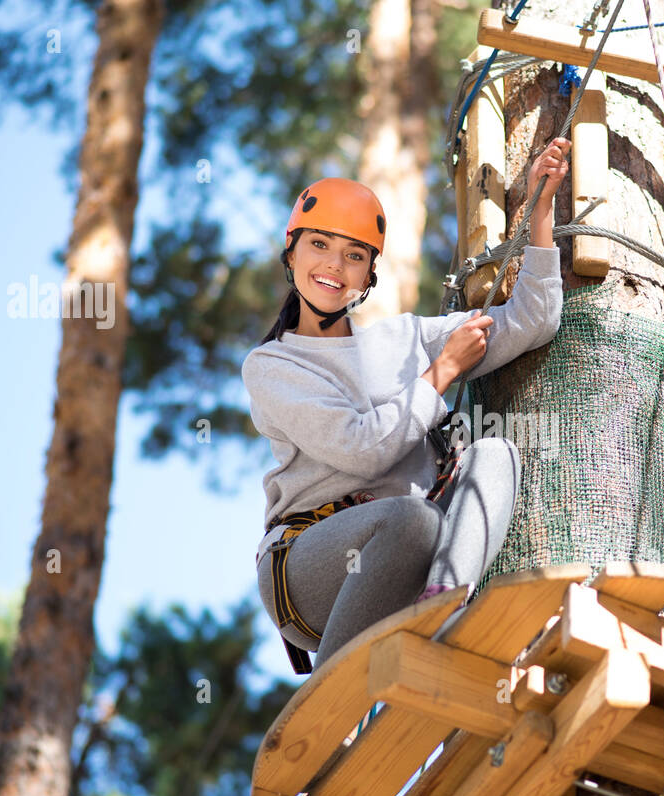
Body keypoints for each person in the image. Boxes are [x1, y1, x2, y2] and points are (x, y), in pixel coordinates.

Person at [243, 137, 571, 675]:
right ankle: (330, 701)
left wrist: (539, 211)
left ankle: (440, 611)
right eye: (319, 246)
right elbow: (362, 448)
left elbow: (533, 320)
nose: (334, 266)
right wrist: (443, 371)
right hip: (312, 565)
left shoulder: (405, 339)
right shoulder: (274, 366)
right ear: (291, 252)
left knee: (497, 455)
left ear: (368, 275)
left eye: (354, 256)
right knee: (412, 519)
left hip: (416, 560)